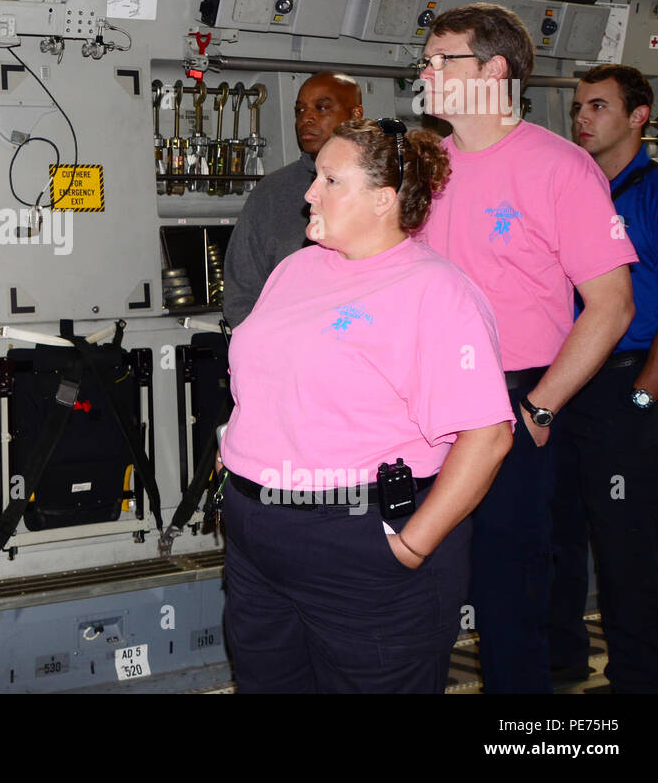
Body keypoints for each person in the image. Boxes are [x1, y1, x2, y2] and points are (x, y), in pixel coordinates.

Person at [219, 119, 515, 692]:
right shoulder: (295, 269)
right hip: (259, 539)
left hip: (358, 542)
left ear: (383, 200)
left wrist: (410, 547)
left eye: (330, 180)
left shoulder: (436, 290)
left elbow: (489, 435)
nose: (309, 192)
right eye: (315, 176)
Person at [416, 3, 636, 694]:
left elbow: (611, 306)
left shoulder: (559, 168)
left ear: (493, 69)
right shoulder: (426, 170)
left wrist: (539, 408)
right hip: (427, 404)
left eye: (438, 59)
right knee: (422, 592)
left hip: (515, 398)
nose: (424, 72)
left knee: (511, 596)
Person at [551, 64, 658, 693]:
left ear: (638, 116)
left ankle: (640, 679)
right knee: (557, 532)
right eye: (577, 108)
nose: (582, 119)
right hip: (565, 382)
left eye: (598, 107)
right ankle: (562, 662)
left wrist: (646, 394)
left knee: (625, 550)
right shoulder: (572, 191)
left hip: (629, 382)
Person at [222, 71, 363, 326]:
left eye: (321, 108)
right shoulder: (272, 192)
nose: (306, 119)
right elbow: (240, 293)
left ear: (355, 115)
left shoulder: (383, 188)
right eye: (300, 110)